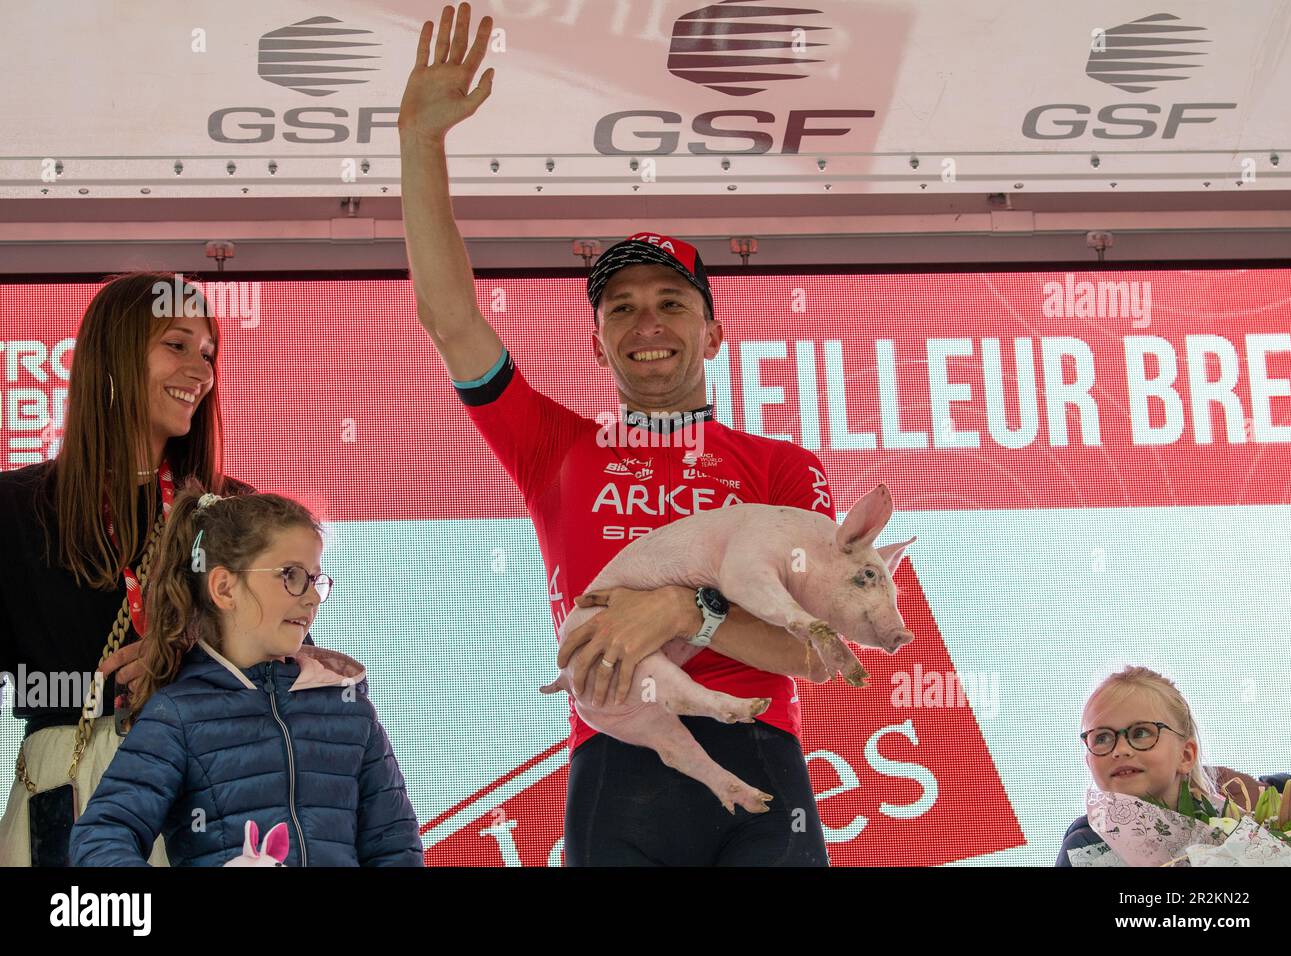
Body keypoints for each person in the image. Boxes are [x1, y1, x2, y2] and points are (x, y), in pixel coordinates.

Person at [400, 3, 845, 865]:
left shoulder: (783, 466)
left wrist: (688, 610)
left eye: (672, 302)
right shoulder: (554, 448)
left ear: (715, 334)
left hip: (764, 762)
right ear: (595, 340)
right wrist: (421, 144)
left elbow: (815, 652)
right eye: (622, 308)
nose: (648, 323)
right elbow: (450, 318)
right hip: (616, 769)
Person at [0, 271, 257, 866]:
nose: (202, 372)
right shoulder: (13, 509)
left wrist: (196, 661)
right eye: (177, 345)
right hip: (64, 797)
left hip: (203, 792)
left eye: (208, 352)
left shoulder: (236, 515)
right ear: (112, 356)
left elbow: (286, 677)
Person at [69, 482, 423, 866]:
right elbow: (102, 835)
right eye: (291, 574)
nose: (311, 596)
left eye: (316, 579)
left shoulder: (348, 705)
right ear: (224, 588)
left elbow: (394, 845)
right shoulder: (178, 714)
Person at [1056, 664, 1291, 866]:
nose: (1120, 750)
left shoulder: (1257, 807)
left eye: (1141, 732)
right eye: (1102, 738)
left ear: (1186, 755)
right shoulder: (1085, 847)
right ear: (1088, 761)